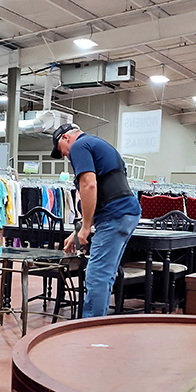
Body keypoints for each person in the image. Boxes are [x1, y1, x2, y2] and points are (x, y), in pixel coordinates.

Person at [51, 123, 140, 318]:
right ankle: (98, 324)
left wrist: (85, 228)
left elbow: (89, 185)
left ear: (65, 138)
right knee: (105, 274)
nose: (65, 156)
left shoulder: (78, 146)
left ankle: (89, 327)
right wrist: (78, 230)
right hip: (126, 212)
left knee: (97, 275)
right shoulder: (98, 144)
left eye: (61, 150)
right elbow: (103, 193)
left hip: (115, 214)